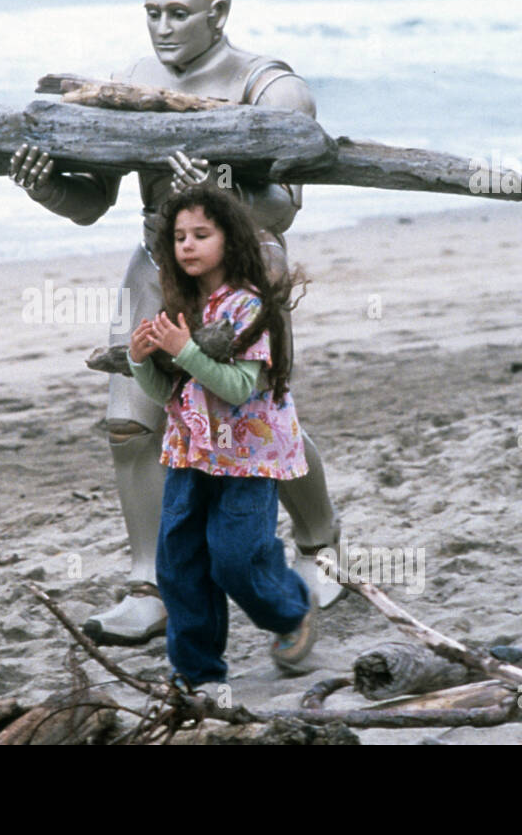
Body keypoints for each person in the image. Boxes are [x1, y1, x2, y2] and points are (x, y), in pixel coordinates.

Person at [8, 0, 342, 647]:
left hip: (242, 268)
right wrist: (44, 186)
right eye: (152, 13)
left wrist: (228, 192)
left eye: (178, 13)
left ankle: (318, 542)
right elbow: (92, 201)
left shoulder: (271, 88)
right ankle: (149, 584)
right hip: (158, 267)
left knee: (256, 415)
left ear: (218, 13)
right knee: (132, 420)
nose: (162, 27)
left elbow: (285, 207)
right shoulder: (127, 83)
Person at [127, 179, 316, 685]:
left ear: (229, 240)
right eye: (180, 236)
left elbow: (236, 388)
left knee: (235, 559)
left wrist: (186, 350)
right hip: (189, 453)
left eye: (201, 234)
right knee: (178, 565)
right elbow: (169, 391)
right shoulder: (179, 306)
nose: (187, 244)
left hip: (249, 456)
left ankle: (290, 609)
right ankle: (197, 672)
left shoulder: (249, 306)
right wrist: (141, 360)